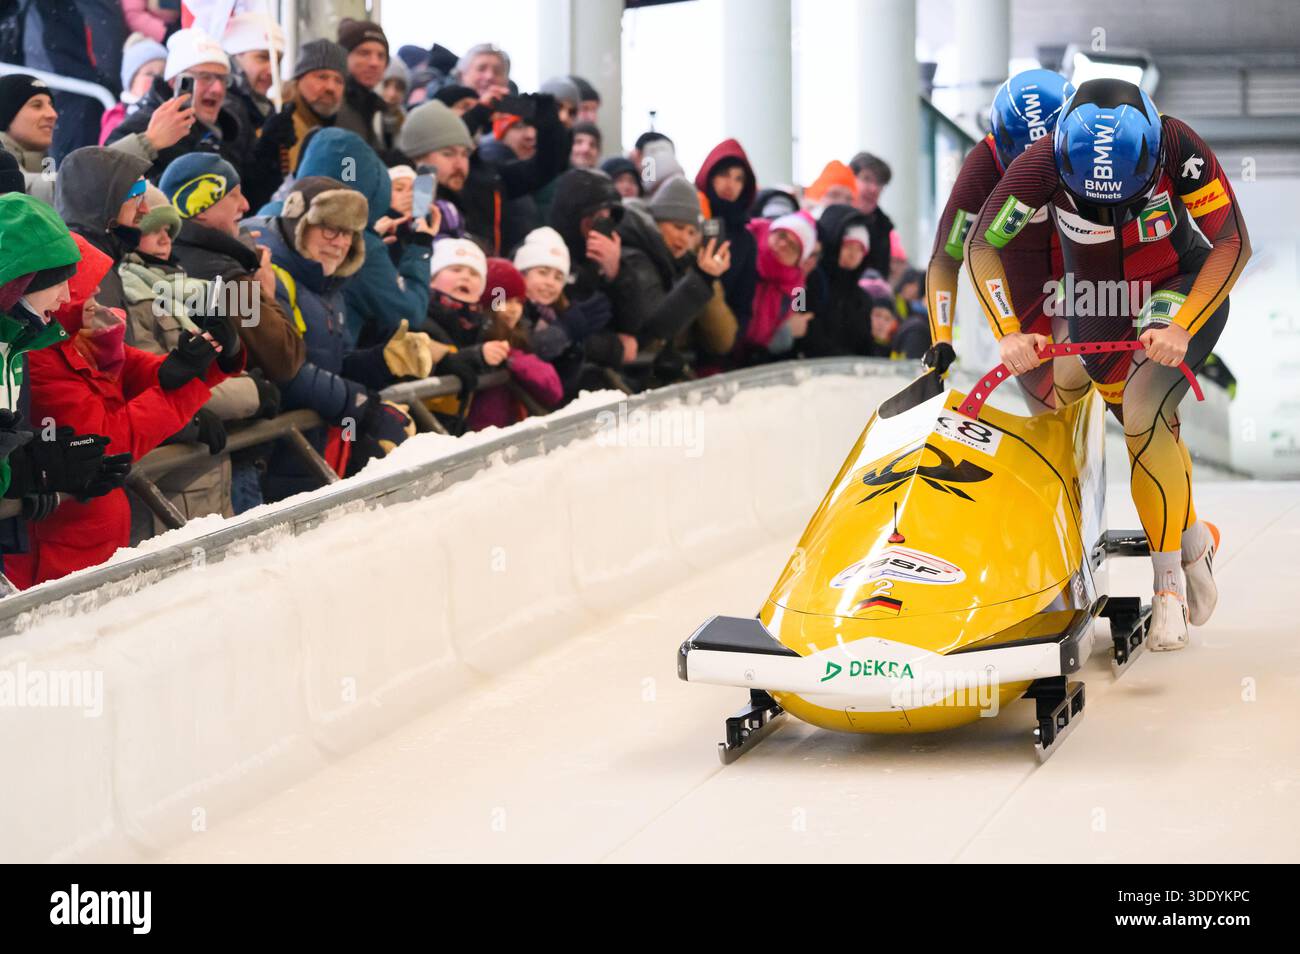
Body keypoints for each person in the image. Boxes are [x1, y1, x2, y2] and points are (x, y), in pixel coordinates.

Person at [966, 78, 1251, 650]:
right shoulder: (1041, 161)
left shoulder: (1179, 147)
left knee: (1145, 409)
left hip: (1179, 286)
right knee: (1144, 430)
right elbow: (980, 245)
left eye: (1126, 196)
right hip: (1098, 304)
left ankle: (1167, 584)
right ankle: (1194, 541)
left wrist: (1182, 324)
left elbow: (1232, 244)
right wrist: (1008, 330)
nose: (1113, 209)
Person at [4, 232, 242, 589]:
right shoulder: (40, 358)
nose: (95, 293)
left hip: (93, 539)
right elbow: (107, 442)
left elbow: (151, 373)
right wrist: (182, 389)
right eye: (82, 284)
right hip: (58, 553)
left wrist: (213, 356)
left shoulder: (85, 340)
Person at [254, 176, 429, 499]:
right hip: (270, 459)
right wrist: (365, 407)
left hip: (308, 457)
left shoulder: (328, 284)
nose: (339, 241)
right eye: (329, 228)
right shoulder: (269, 276)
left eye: (348, 232)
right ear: (298, 225)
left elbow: (331, 364)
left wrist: (383, 361)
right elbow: (286, 371)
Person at [924, 69, 1073, 412]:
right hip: (1025, 296)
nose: (1035, 176)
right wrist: (941, 339)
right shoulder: (981, 168)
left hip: (1078, 280)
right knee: (1050, 412)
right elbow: (947, 258)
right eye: (1022, 164)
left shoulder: (1095, 153)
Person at [0, 193, 129, 577]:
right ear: (18, 280)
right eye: (56, 282)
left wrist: (42, 464)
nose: (67, 296)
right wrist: (23, 472)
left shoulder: (15, 347)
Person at [285, 128, 433, 349]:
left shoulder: (272, 216)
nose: (340, 242)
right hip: (329, 367)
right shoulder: (363, 247)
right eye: (399, 188)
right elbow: (407, 313)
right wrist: (419, 248)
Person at [398, 97, 571, 256]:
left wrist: (546, 116)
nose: (459, 164)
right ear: (418, 157)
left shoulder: (486, 178)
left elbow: (544, 168)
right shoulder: (410, 193)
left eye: (465, 154)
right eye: (448, 154)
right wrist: (477, 115)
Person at [106, 28, 256, 187]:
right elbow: (100, 174)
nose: (217, 89)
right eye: (205, 77)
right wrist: (150, 141)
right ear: (175, 82)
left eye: (223, 79)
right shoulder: (144, 123)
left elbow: (250, 196)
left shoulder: (230, 128)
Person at [610, 175, 733, 368]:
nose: (684, 239)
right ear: (656, 222)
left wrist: (708, 278)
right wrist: (703, 278)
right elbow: (655, 326)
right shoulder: (634, 256)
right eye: (678, 227)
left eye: (692, 233)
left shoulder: (680, 264)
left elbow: (723, 341)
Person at [513, 225, 619, 395]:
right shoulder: (505, 305)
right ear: (522, 273)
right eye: (543, 272)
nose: (550, 282)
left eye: (558, 277)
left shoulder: (557, 313)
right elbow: (519, 347)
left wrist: (573, 348)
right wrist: (563, 331)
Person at [55, 146, 154, 314]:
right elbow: (107, 339)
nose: (146, 209)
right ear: (104, 202)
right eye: (137, 199)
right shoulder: (87, 266)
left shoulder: (99, 254)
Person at [251, 38, 349, 203]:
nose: (331, 87)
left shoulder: (340, 130)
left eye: (338, 80)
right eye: (321, 77)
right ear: (298, 80)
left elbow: (350, 175)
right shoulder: (276, 123)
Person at [470, 258, 563, 429]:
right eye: (504, 300)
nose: (513, 309)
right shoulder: (472, 337)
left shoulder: (520, 340)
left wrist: (514, 358)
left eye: (518, 301)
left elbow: (552, 389)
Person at [695, 139, 758, 344]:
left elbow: (743, 302)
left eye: (739, 178)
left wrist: (731, 342)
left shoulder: (745, 239)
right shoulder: (689, 220)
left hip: (721, 345)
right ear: (709, 175)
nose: (730, 184)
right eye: (723, 175)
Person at [800, 204, 874, 357]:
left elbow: (866, 344)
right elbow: (801, 327)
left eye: (860, 249)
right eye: (848, 246)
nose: (853, 254)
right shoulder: (801, 286)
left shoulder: (862, 299)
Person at [744, 211, 818, 360]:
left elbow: (798, 322)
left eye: (793, 246)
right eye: (782, 235)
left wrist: (785, 334)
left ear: (799, 260)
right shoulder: (745, 256)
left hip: (757, 359)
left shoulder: (799, 288)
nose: (783, 244)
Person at [336, 18, 402, 158]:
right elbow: (348, 170)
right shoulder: (333, 105)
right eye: (364, 53)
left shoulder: (374, 107)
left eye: (381, 56)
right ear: (343, 56)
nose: (374, 63)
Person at [222, 12, 286, 150]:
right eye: (263, 58)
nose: (272, 71)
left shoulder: (266, 109)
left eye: (278, 61)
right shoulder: (224, 111)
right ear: (235, 56)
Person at [100, 36, 169, 145]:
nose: (157, 80)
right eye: (149, 74)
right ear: (131, 81)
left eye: (163, 74)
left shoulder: (171, 109)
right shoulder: (117, 117)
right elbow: (107, 155)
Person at [0, 74, 58, 204]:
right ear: (5, 114)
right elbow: (18, 189)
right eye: (37, 105)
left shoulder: (49, 161)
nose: (52, 114)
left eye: (51, 105)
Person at [848, 151, 897, 279]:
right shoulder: (834, 220)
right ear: (850, 178)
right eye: (867, 179)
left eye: (880, 183)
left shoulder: (883, 226)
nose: (874, 189)